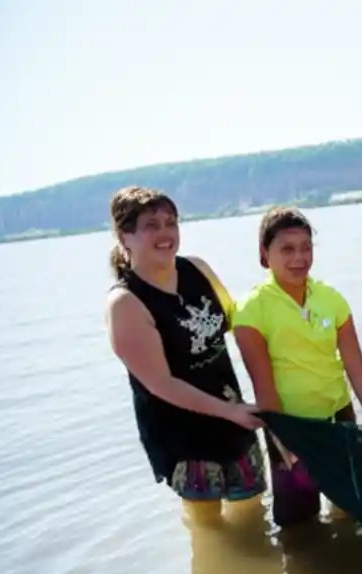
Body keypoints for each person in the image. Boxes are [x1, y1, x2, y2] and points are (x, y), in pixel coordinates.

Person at [104, 186, 265, 525]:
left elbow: (237, 323)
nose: (165, 233)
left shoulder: (197, 269)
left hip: (236, 419)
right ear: (125, 236)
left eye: (171, 223)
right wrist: (230, 412)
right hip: (184, 439)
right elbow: (161, 384)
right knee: (209, 531)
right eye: (151, 225)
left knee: (253, 517)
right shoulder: (126, 303)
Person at [232, 206, 362, 526]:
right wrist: (282, 441)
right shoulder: (250, 311)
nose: (299, 258)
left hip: (339, 418)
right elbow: (263, 385)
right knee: (299, 524)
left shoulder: (332, 298)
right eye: (287, 249)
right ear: (264, 254)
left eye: (306, 248)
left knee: (352, 508)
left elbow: (356, 367)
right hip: (290, 428)